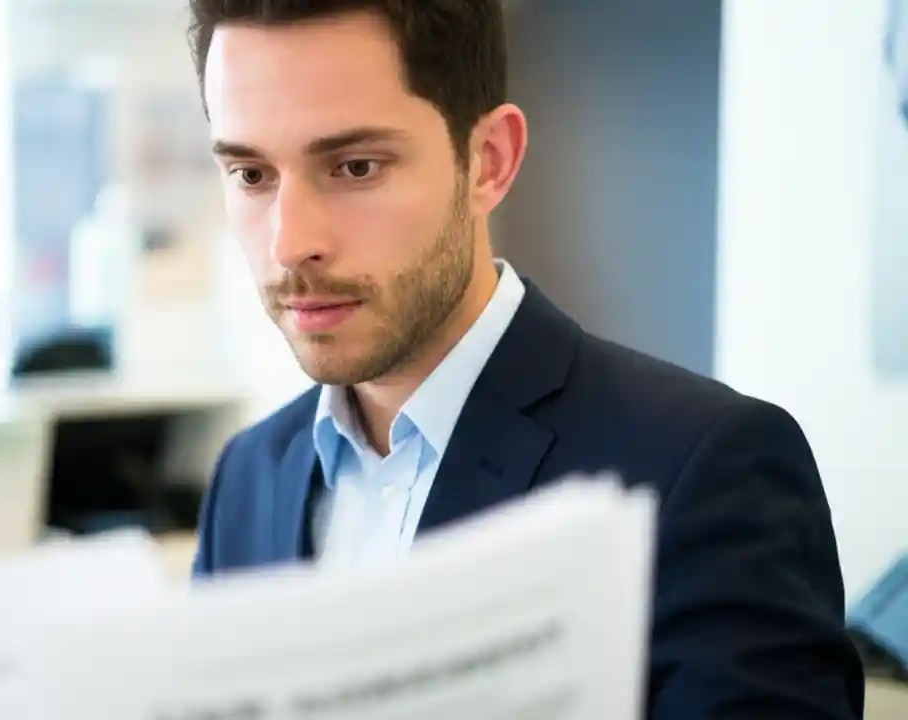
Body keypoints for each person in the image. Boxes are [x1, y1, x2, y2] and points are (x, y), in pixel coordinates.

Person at [186, 1, 864, 717]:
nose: (291, 242)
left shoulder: (704, 469)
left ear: (488, 162)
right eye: (252, 175)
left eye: (355, 167)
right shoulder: (248, 478)